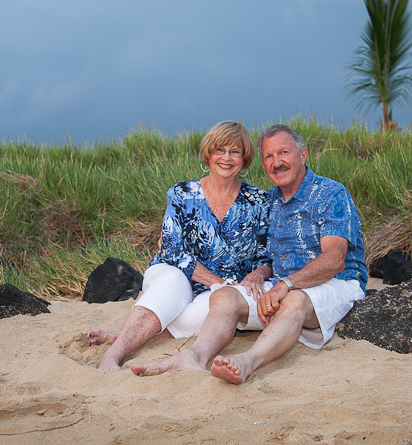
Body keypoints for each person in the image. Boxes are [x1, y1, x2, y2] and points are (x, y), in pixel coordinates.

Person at [131, 124, 367, 383]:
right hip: (279, 286)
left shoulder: (330, 193)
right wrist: (259, 276)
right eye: (269, 156)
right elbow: (258, 256)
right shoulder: (268, 201)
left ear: (303, 155)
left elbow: (334, 259)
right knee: (225, 296)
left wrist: (285, 285)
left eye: (284, 152)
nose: (277, 162)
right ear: (263, 164)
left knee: (295, 299)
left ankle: (247, 362)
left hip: (335, 282)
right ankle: (194, 356)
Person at [87, 120, 272, 370]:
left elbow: (265, 257)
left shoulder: (259, 201)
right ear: (208, 154)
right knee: (173, 284)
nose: (226, 158)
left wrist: (257, 275)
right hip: (176, 273)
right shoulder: (182, 194)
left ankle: (125, 335)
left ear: (245, 158)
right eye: (220, 150)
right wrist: (218, 282)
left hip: (222, 291)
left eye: (235, 152)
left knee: (215, 310)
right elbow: (171, 250)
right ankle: (113, 354)